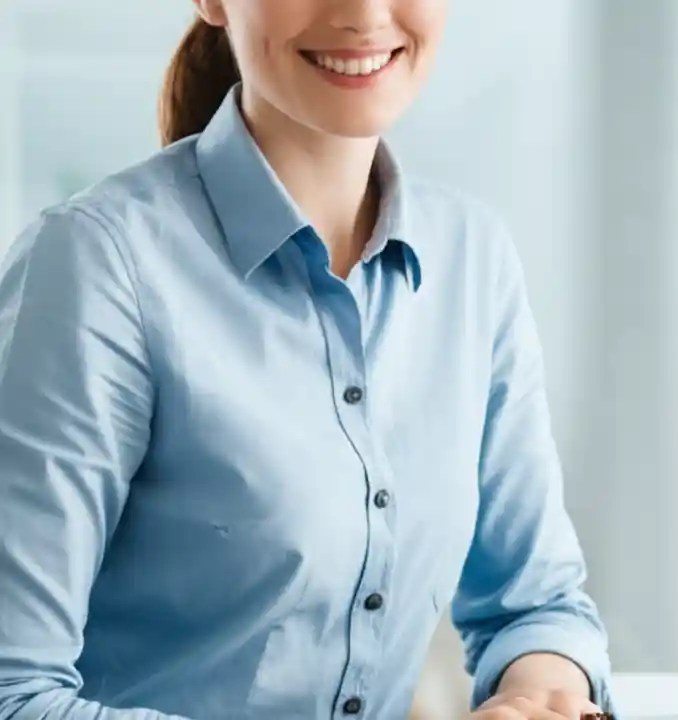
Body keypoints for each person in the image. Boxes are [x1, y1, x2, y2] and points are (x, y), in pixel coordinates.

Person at [0, 1, 612, 718]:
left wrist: (539, 698)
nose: (363, 13)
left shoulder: (474, 258)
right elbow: (14, 693)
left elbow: (535, 605)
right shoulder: (99, 265)